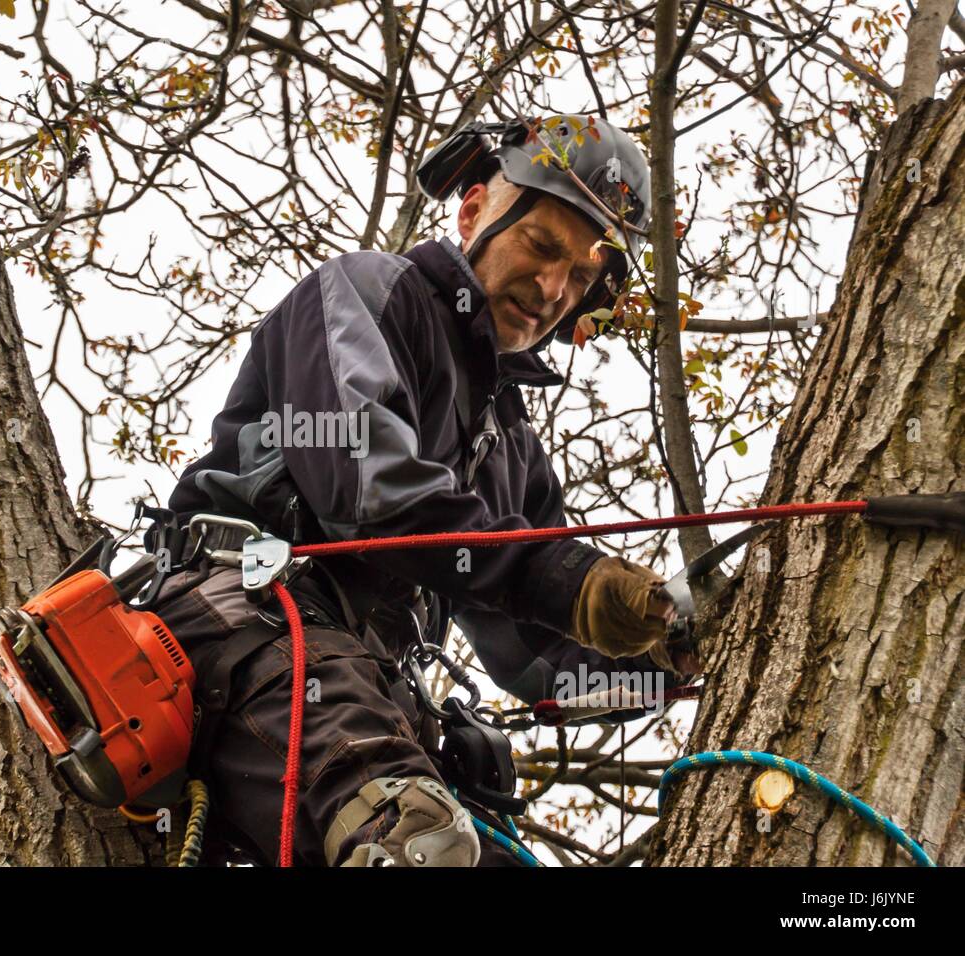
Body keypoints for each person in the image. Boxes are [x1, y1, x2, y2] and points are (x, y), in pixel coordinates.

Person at [150, 114, 696, 867]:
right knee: (421, 847)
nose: (551, 288)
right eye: (542, 247)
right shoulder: (371, 294)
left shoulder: (512, 449)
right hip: (243, 623)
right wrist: (565, 578)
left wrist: (668, 666)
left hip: (359, 694)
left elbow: (536, 661)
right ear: (474, 209)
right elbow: (364, 488)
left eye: (580, 276)